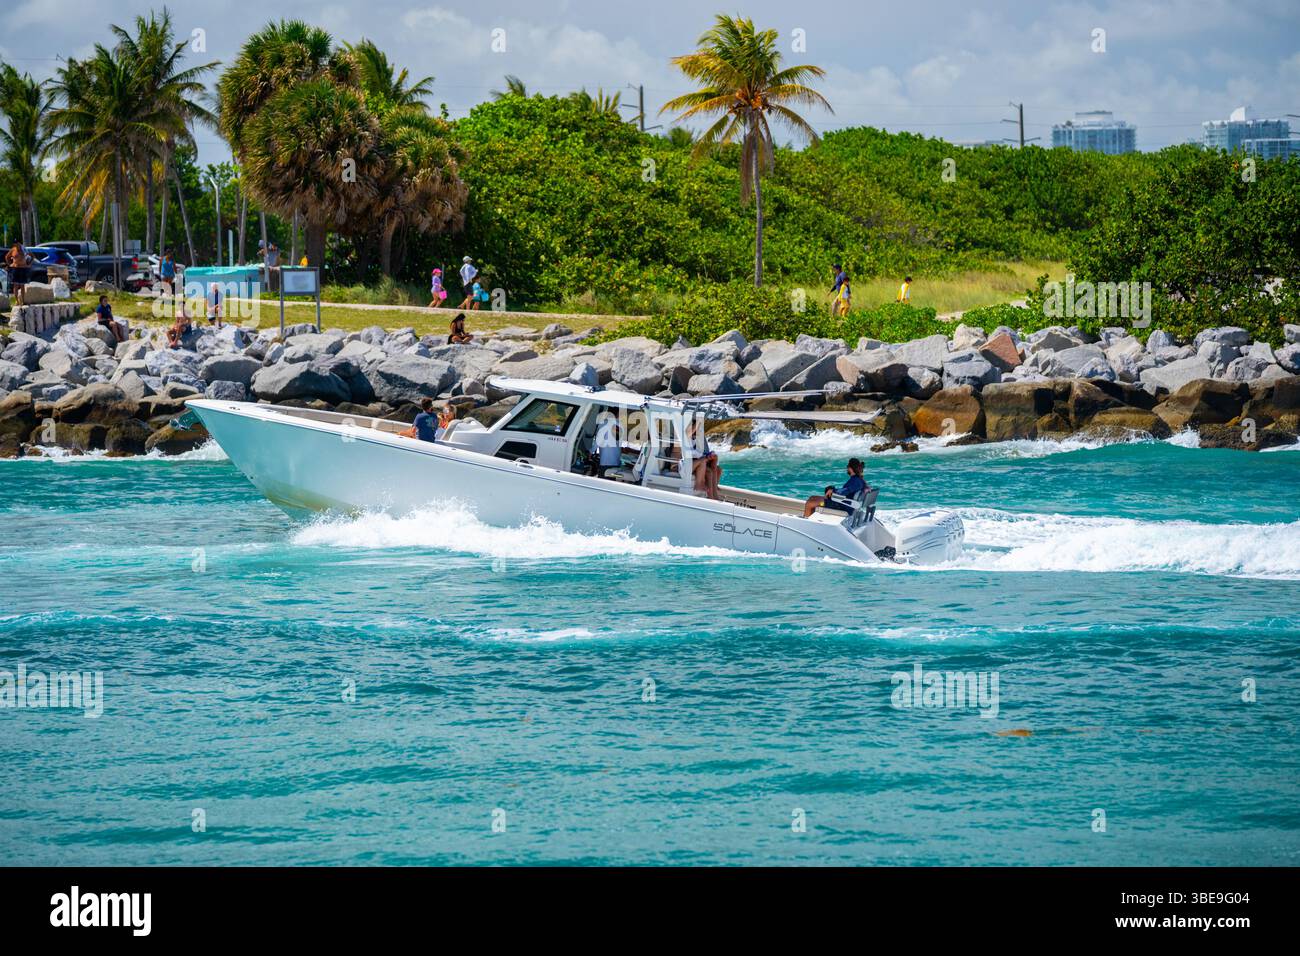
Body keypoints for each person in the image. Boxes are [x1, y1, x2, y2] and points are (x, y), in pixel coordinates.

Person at [803, 458, 868, 518]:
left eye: (847, 467)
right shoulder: (858, 480)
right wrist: (833, 490)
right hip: (842, 502)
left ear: (851, 468)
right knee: (812, 497)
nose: (847, 469)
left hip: (841, 506)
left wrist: (833, 490)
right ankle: (810, 519)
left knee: (810, 504)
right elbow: (846, 490)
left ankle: (806, 525)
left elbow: (845, 491)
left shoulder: (855, 481)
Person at [687, 418, 722, 499]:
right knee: (709, 472)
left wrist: (710, 456)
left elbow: (697, 452)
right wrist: (699, 420)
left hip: (696, 462)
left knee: (718, 469)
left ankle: (714, 491)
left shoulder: (695, 439)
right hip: (690, 464)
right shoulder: (684, 436)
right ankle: (712, 497)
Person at [592, 410, 624, 478]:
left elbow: (598, 441)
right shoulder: (620, 425)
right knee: (611, 481)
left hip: (605, 461)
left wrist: (590, 451)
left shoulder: (604, 423)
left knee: (602, 480)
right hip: (616, 460)